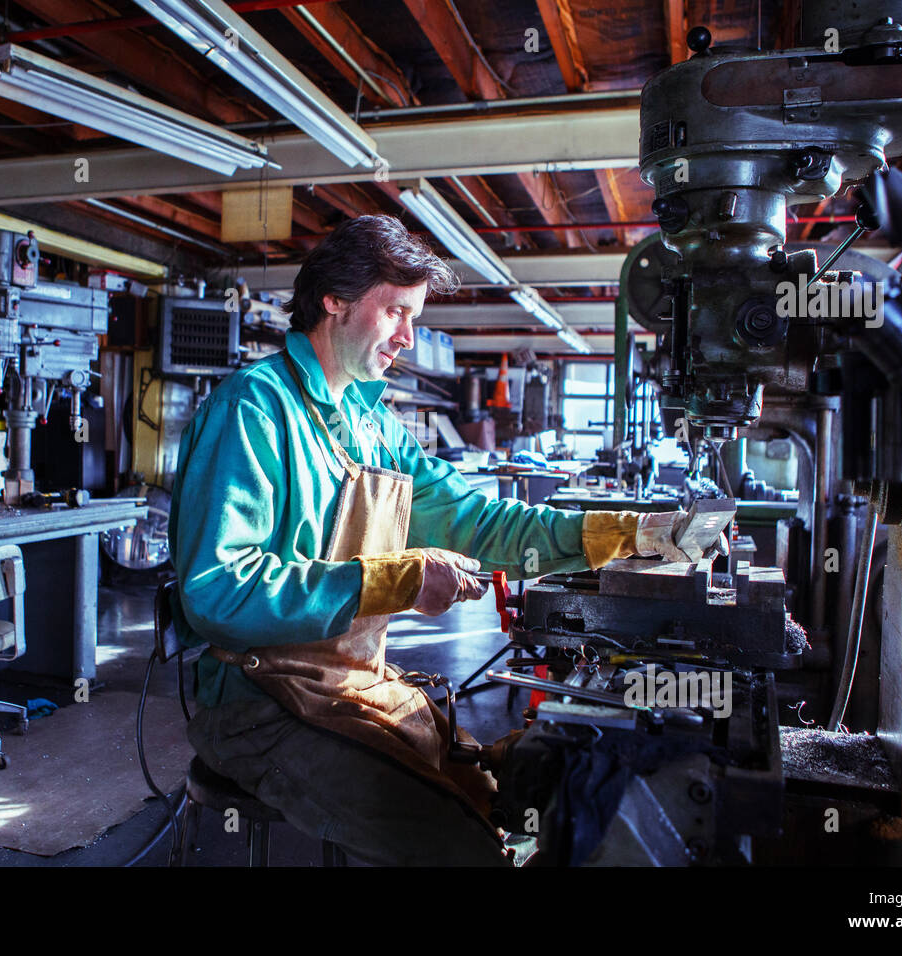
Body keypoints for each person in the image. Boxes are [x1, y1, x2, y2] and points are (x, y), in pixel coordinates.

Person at [167, 214, 697, 866]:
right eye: (395, 312)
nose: (409, 338)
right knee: (458, 846)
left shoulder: (373, 426)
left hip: (352, 687)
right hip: (257, 708)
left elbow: (479, 522)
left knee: (505, 792)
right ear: (335, 300)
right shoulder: (254, 408)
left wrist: (626, 534)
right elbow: (217, 594)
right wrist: (397, 580)